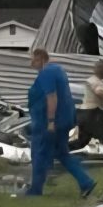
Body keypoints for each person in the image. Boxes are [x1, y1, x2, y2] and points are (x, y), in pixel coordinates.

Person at [26, 48, 96, 198]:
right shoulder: (58, 70)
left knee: (39, 153)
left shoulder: (47, 73)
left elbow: (52, 98)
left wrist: (50, 121)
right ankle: (86, 182)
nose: (30, 62)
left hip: (49, 123)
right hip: (63, 120)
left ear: (41, 58)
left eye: (32, 59)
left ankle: (35, 191)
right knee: (62, 154)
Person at [69, 59, 103, 167]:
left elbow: (94, 96)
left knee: (81, 142)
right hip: (92, 115)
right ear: (100, 69)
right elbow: (99, 92)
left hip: (83, 114)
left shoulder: (91, 80)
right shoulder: (96, 81)